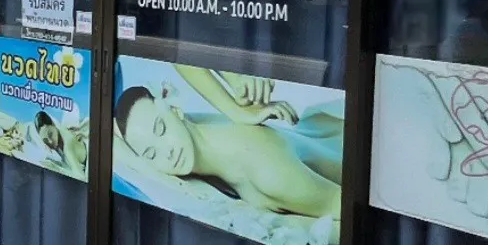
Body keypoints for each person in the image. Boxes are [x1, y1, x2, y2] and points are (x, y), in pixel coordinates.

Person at [114, 64, 343, 225]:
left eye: (161, 129)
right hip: (321, 130)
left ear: (175, 109)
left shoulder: (266, 171)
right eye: (152, 154)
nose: (168, 152)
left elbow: (347, 215)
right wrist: (235, 108)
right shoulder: (198, 128)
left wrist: (288, 225)